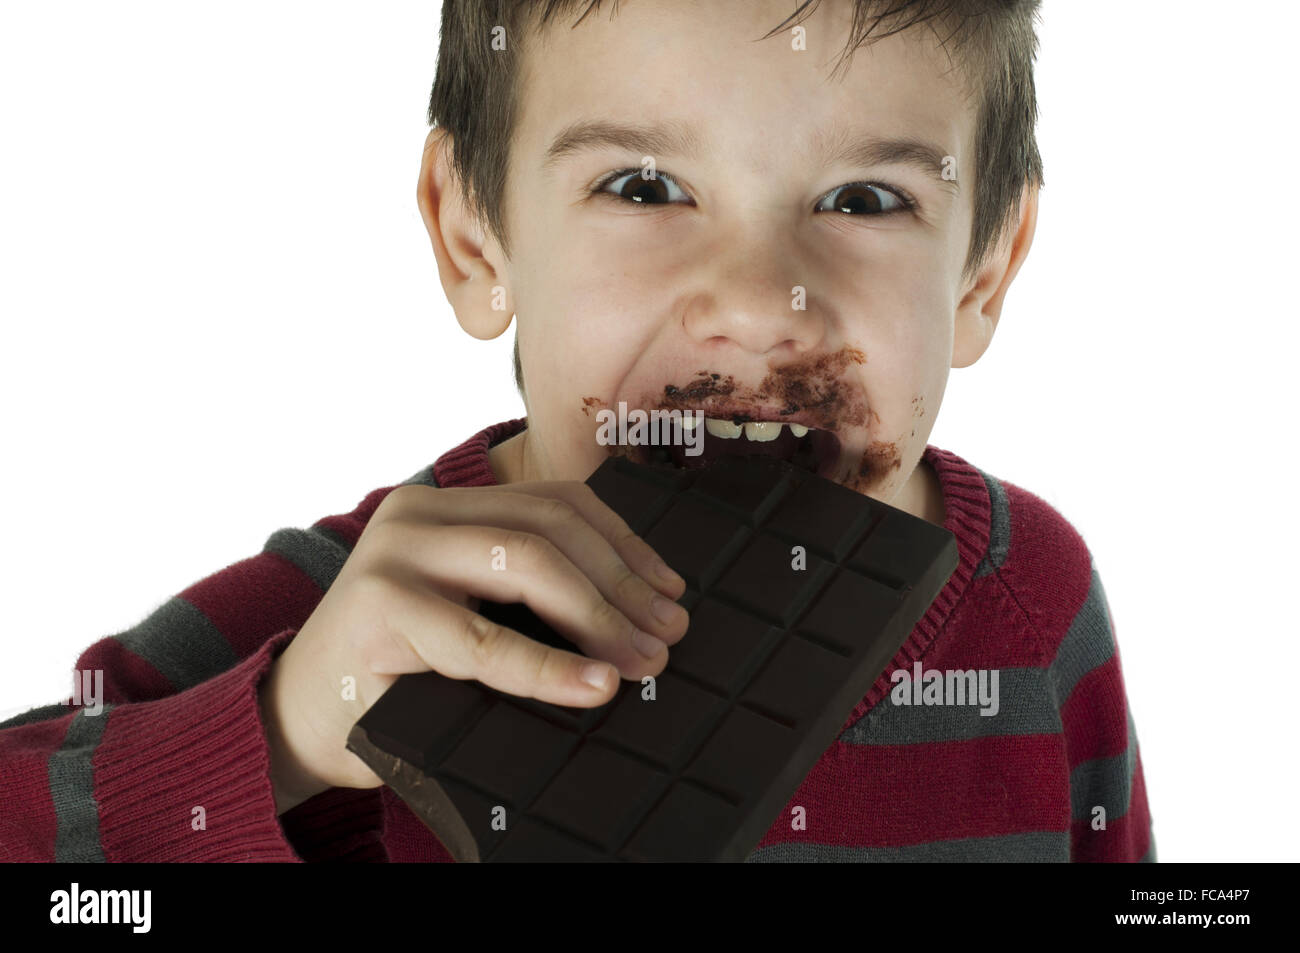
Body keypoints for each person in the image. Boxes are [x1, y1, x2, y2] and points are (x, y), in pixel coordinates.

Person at [0, 0, 1154, 862]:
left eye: (864, 200)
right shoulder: (345, 624)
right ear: (475, 238)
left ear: (982, 272)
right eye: (644, 187)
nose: (759, 302)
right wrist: (292, 728)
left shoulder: (1031, 601)